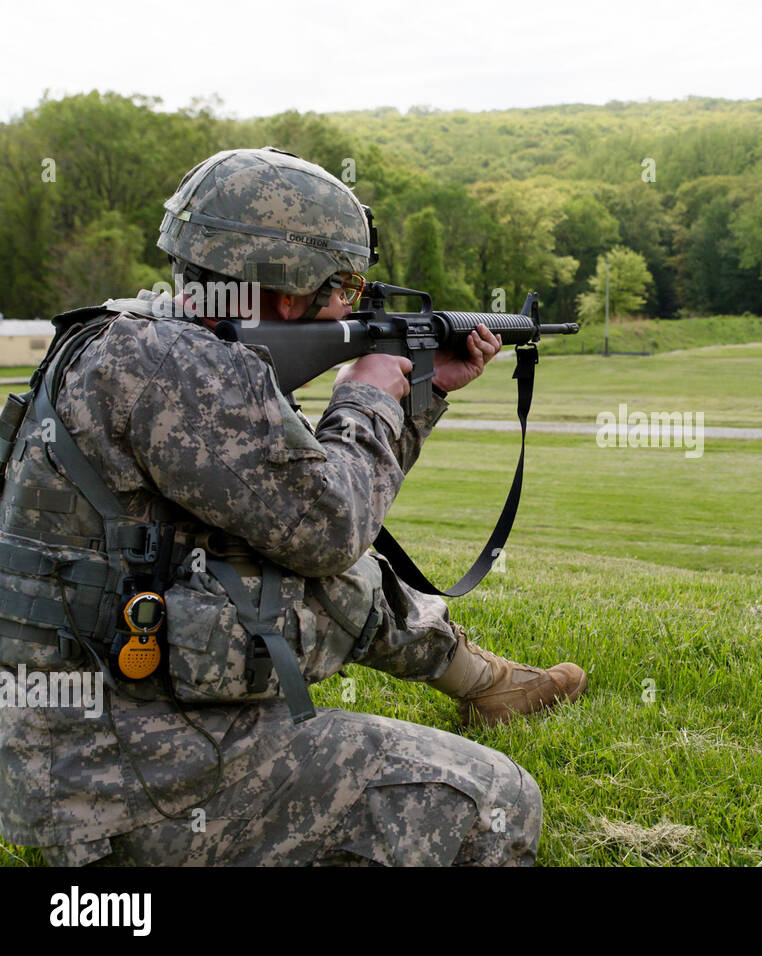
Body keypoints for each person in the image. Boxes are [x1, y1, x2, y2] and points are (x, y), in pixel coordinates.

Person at [0, 146, 585, 866]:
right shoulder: (187, 369)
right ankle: (483, 684)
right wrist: (367, 395)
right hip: (137, 780)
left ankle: (485, 683)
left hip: (71, 760)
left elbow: (308, 499)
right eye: (345, 282)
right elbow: (333, 526)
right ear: (287, 288)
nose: (352, 302)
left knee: (322, 577)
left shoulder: (130, 340)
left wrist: (421, 393)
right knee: (497, 802)